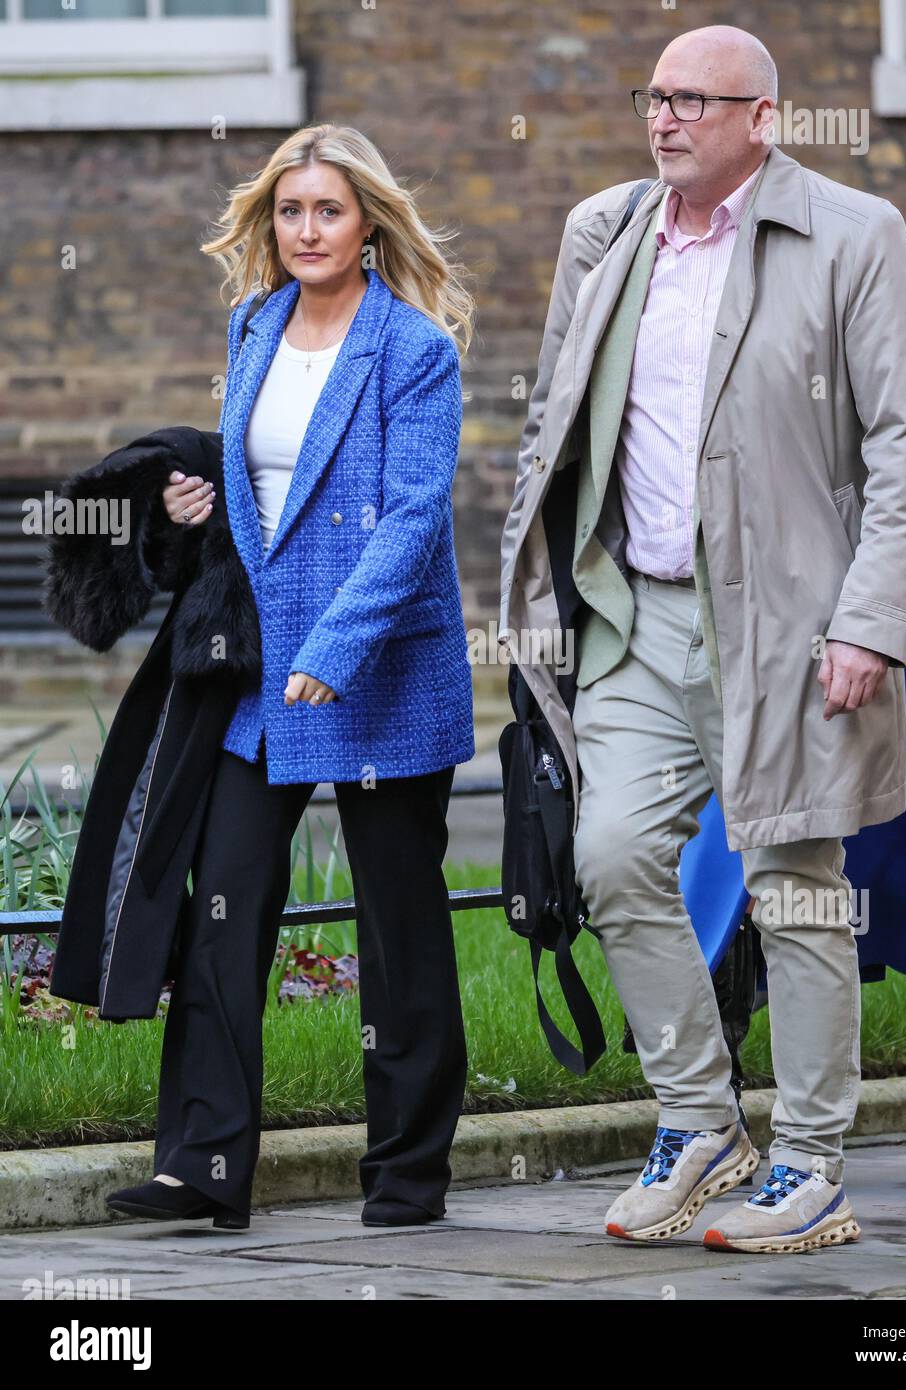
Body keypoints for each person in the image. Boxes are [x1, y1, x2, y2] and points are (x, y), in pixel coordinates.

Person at [499, 26, 906, 1253]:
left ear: (764, 116)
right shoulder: (603, 233)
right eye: (654, 97)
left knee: (796, 885)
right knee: (609, 855)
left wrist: (869, 621)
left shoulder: (854, 237)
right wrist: (548, 595)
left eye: (694, 100)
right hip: (637, 613)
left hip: (789, 627)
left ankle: (809, 1162)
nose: (664, 119)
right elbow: (557, 419)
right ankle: (698, 1122)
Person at [106, 123, 475, 1231]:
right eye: (287, 211)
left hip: (378, 675)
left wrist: (333, 648)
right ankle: (202, 1169)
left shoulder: (414, 350)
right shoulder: (255, 324)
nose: (304, 229)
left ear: (368, 223)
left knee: (397, 926)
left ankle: (407, 1174)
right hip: (258, 678)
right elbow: (264, 493)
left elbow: (411, 520)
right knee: (223, 907)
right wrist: (197, 506)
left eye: (326, 210)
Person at [682, 366, 906, 1169]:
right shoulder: (738, 322)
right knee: (740, 864)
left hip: (892, 645)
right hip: (765, 643)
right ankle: (723, 1105)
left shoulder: (887, 313)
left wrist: (875, 629)